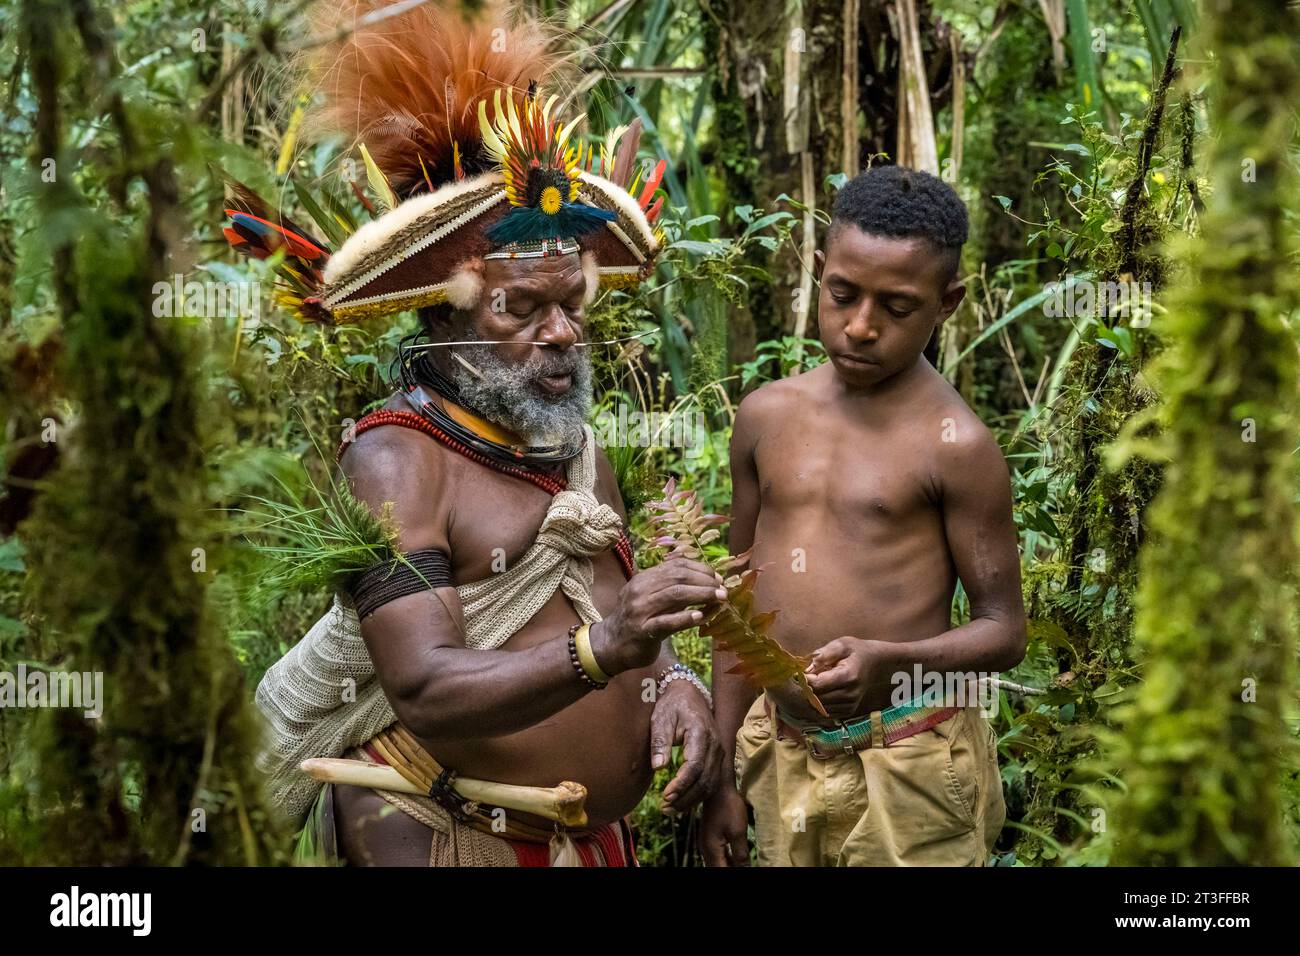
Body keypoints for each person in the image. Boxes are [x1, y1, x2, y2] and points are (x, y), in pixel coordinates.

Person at [235, 0, 723, 866]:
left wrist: (677, 681)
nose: (564, 334)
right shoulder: (394, 459)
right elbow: (424, 687)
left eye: (572, 303)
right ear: (444, 320)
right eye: (522, 310)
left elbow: (613, 610)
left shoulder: (570, 443)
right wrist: (607, 650)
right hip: (439, 828)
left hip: (587, 839)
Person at [699, 165, 1026, 866]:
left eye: (898, 308)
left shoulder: (958, 446)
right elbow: (735, 606)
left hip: (910, 764)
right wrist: (721, 770)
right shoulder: (765, 417)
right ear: (818, 272)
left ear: (948, 303)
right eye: (842, 295)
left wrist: (893, 663)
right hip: (782, 755)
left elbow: (1004, 631)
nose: (861, 326)